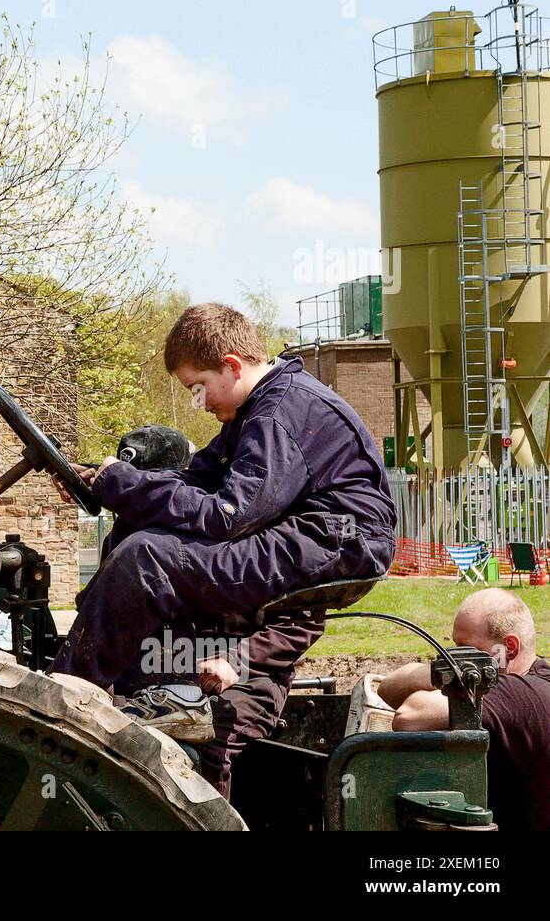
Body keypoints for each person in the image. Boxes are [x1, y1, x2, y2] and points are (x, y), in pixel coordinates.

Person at [49, 302, 397, 743]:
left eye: (198, 388)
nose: (198, 403)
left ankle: (61, 704)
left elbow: (227, 515)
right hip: (313, 536)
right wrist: (103, 480)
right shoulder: (255, 409)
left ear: (232, 367)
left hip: (336, 541)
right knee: (138, 535)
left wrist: (127, 486)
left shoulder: (275, 415)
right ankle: (128, 685)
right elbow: (194, 479)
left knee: (147, 559)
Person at [379, 587, 550, 831]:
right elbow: (387, 689)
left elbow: (409, 716)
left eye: (466, 649)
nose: (455, 658)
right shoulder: (538, 681)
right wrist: (449, 671)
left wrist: (450, 674)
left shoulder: (518, 695)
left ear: (508, 649)